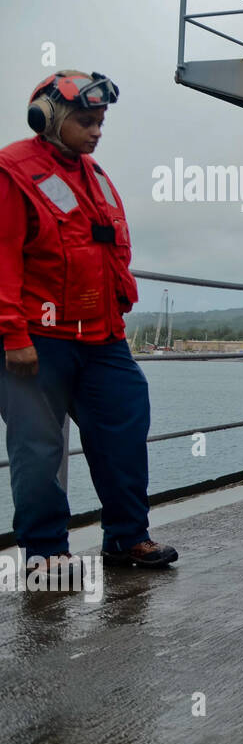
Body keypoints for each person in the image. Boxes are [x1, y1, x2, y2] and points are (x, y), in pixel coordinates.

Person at [0, 71, 178, 574]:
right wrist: (12, 334)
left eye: (101, 121)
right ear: (46, 118)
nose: (97, 131)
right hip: (38, 338)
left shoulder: (93, 173)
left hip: (101, 337)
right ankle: (45, 553)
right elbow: (3, 257)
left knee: (125, 426)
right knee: (38, 447)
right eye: (86, 121)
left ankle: (126, 538)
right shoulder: (12, 171)